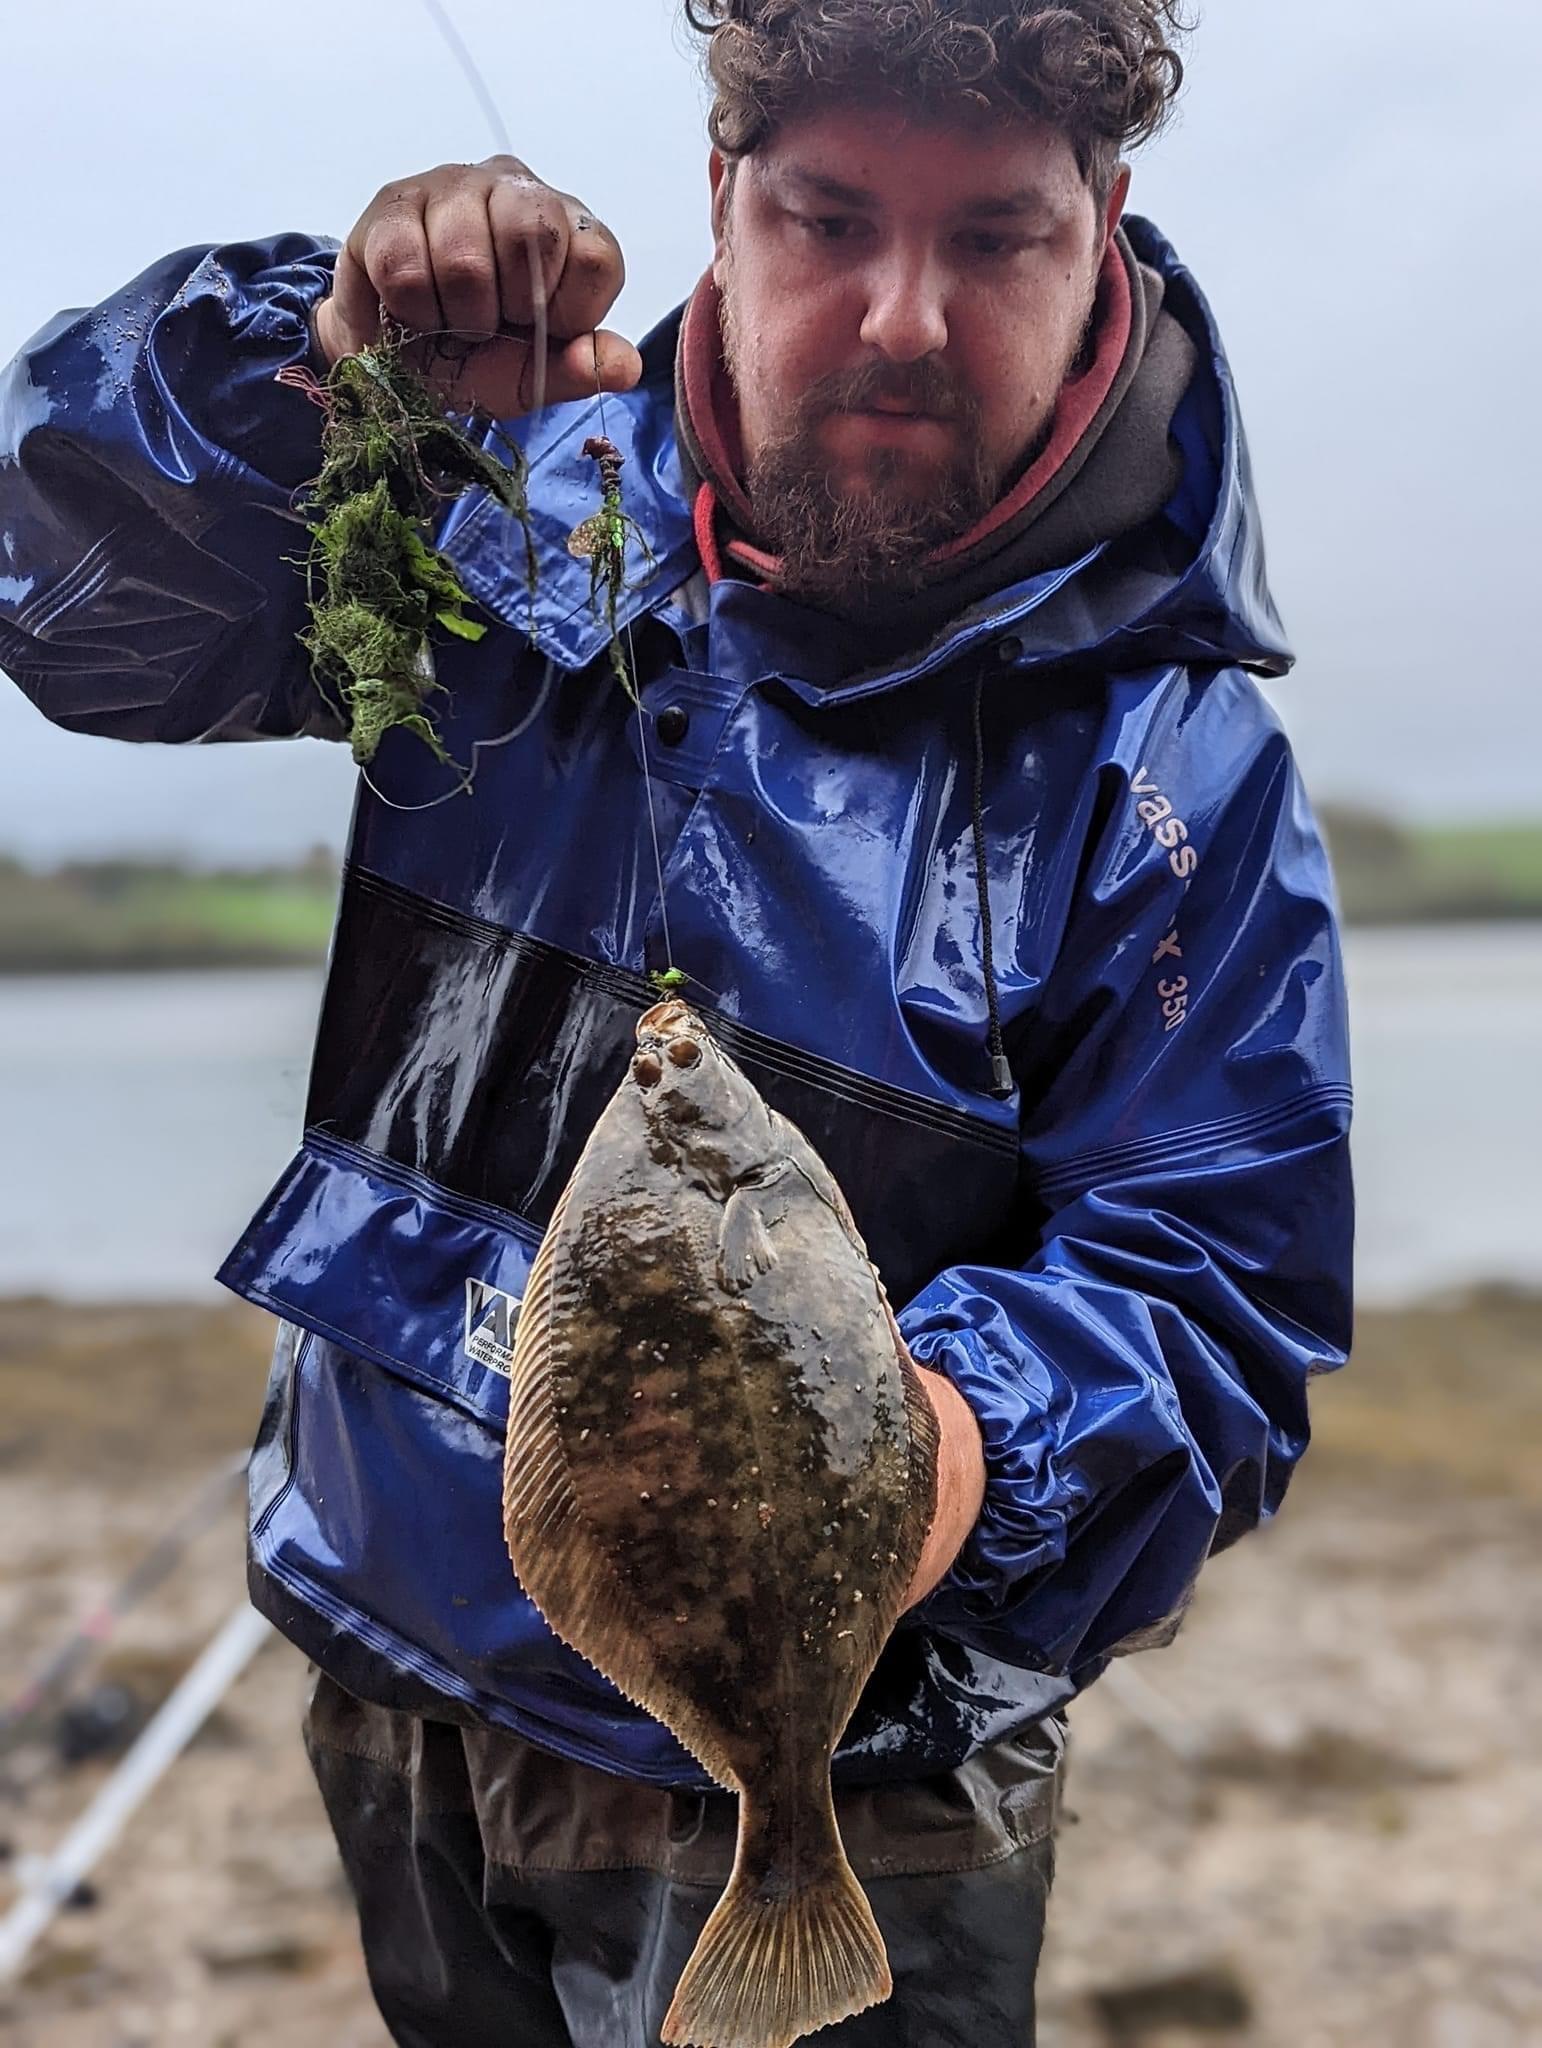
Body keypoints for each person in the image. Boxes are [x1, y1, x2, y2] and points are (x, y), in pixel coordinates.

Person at [0, 0, 1354, 2039]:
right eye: (827, 219)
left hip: (857, 1748)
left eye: (993, 237)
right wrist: (310, 383)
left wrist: (948, 1455)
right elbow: (63, 587)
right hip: (397, 1647)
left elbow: (1216, 1290)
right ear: (721, 192)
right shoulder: (489, 484)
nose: (903, 315)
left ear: (1108, 227)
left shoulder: (1180, 775)